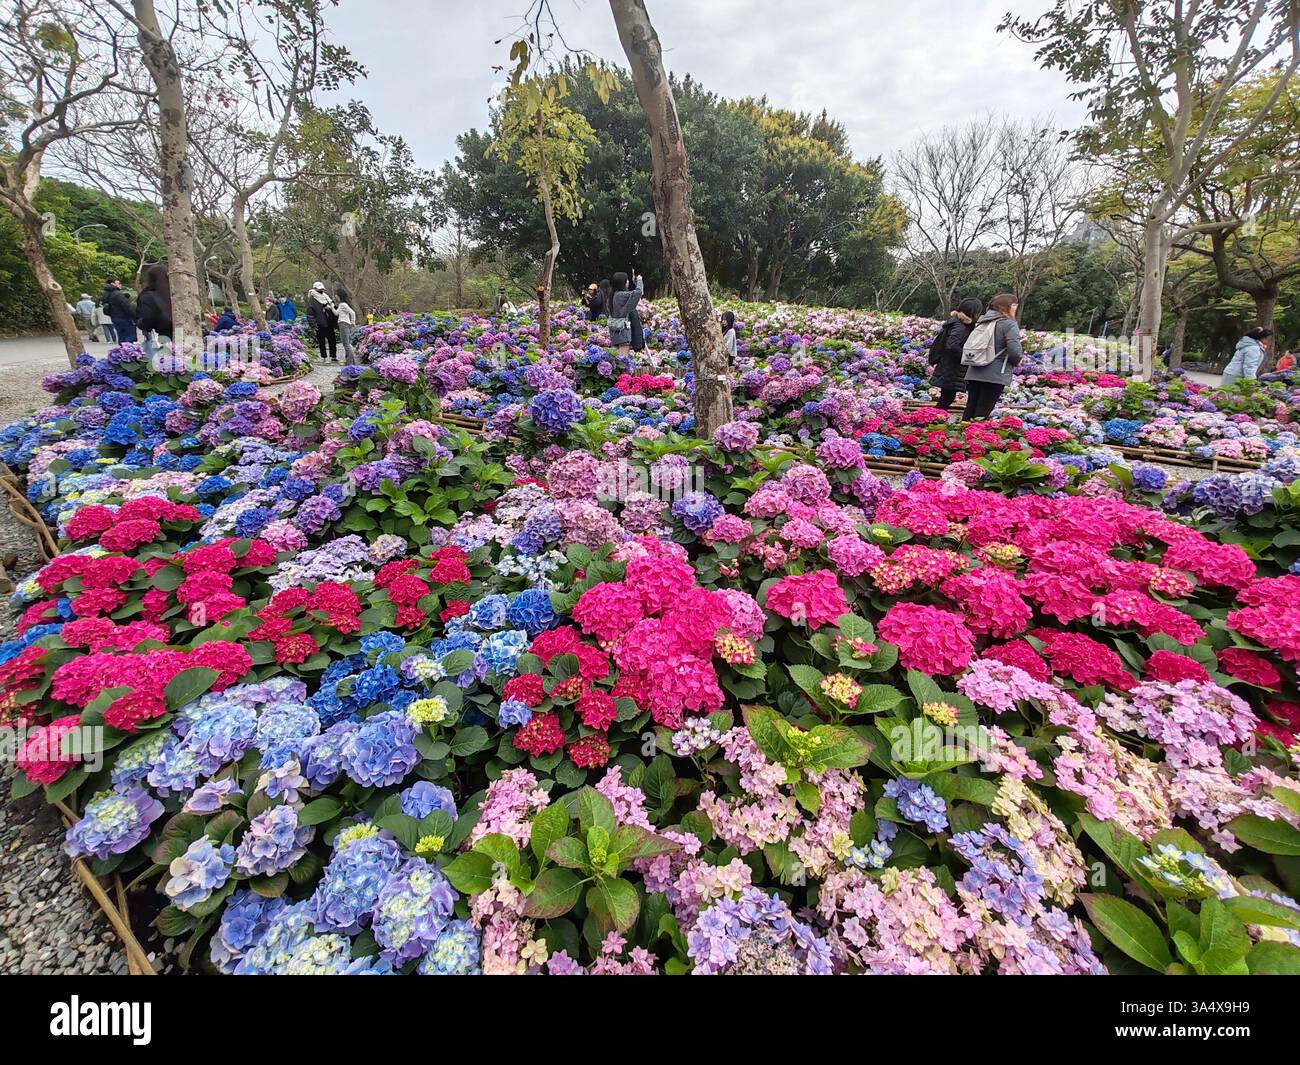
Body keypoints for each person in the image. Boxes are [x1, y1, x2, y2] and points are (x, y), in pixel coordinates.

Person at [960, 293, 1023, 421]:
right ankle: (973, 439)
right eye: (1014, 305)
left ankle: (959, 437)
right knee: (982, 413)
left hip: (974, 370)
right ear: (1007, 307)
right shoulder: (1009, 324)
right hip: (995, 374)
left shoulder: (982, 321)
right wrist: (1018, 361)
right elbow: (1014, 351)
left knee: (970, 410)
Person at [928, 298, 983, 411]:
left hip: (949, 366)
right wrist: (967, 358)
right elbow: (952, 346)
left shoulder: (956, 322)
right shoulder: (961, 326)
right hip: (953, 368)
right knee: (946, 399)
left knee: (946, 398)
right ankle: (933, 420)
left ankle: (934, 420)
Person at [136, 265, 174, 356]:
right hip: (184, 333)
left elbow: (147, 319)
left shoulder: (148, 296)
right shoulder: (175, 292)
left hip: (164, 333)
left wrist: (140, 323)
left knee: (167, 359)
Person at [609, 271, 644, 355]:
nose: (628, 282)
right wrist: (639, 280)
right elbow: (638, 293)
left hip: (617, 330)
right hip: (623, 330)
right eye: (626, 280)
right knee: (623, 357)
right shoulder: (620, 295)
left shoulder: (614, 294)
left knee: (619, 355)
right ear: (622, 283)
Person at [306, 281, 339, 362]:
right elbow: (310, 313)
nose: (321, 291)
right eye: (319, 289)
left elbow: (333, 307)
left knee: (332, 340)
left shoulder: (326, 297)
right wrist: (313, 324)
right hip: (319, 323)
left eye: (322, 289)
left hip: (329, 322)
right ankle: (324, 356)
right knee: (321, 341)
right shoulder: (312, 299)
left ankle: (333, 356)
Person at [101, 278, 138, 344]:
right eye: (118, 283)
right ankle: (128, 351)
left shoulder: (106, 294)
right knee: (129, 336)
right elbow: (126, 306)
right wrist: (134, 316)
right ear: (113, 284)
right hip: (124, 317)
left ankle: (121, 351)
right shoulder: (118, 294)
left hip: (114, 317)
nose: (120, 285)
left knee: (121, 336)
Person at [335, 286, 358, 365]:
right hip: (343, 324)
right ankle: (348, 361)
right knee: (345, 343)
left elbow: (352, 313)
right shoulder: (342, 304)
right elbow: (336, 313)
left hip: (344, 324)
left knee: (346, 344)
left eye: (336, 294)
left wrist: (353, 322)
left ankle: (351, 362)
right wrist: (331, 307)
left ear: (339, 295)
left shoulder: (343, 305)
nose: (335, 296)